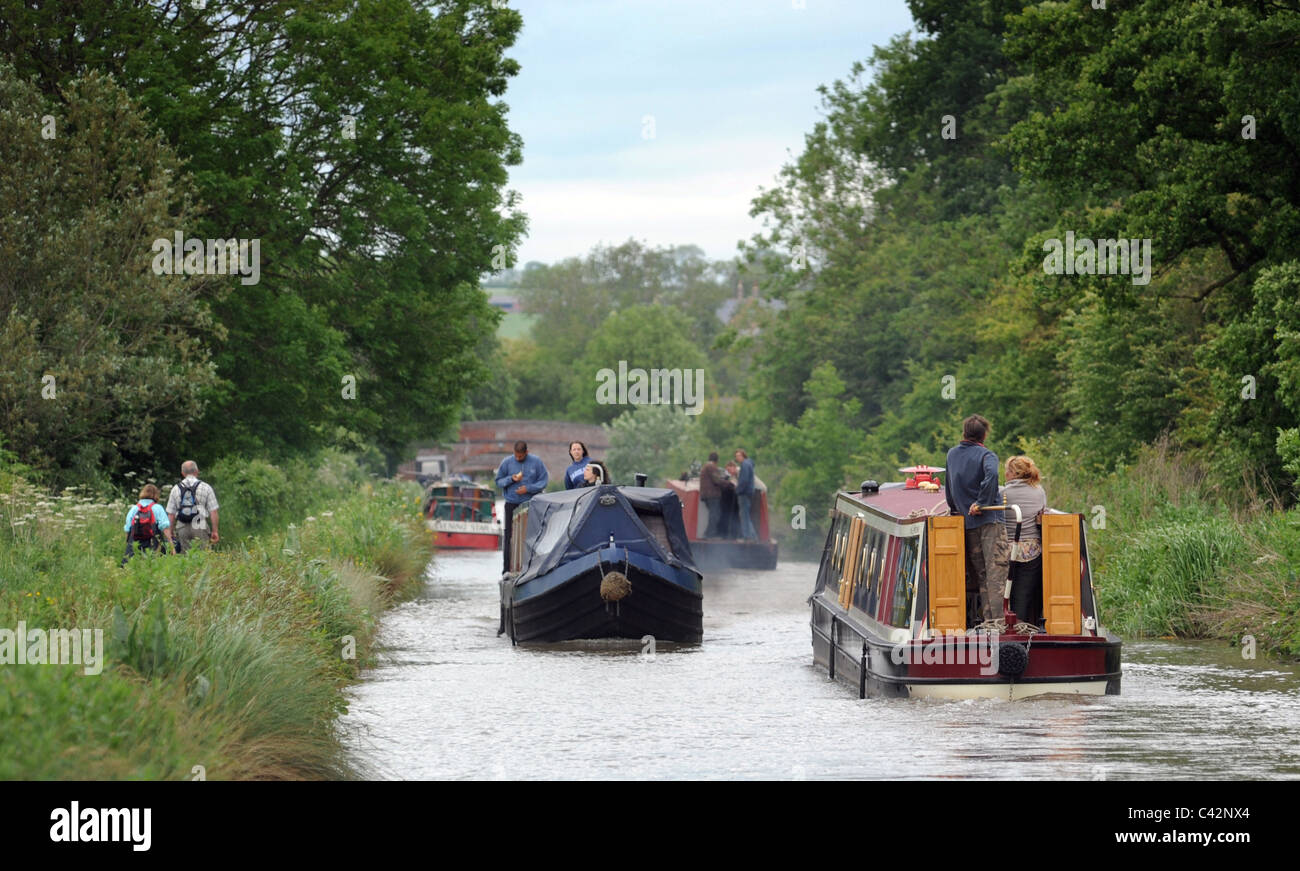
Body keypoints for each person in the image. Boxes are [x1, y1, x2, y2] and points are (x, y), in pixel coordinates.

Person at [945, 414, 1008, 632]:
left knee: (981, 572)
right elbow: (992, 476)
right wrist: (981, 502)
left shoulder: (952, 455)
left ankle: (989, 620)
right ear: (984, 435)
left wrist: (958, 510)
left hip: (967, 523)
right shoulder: (987, 455)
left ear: (964, 433)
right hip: (990, 521)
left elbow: (949, 488)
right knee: (997, 571)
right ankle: (997, 623)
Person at [1001, 455, 1047, 630]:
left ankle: (1004, 625)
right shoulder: (1039, 491)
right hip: (1032, 551)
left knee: (1005, 592)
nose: (1005, 474)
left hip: (1008, 550)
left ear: (1013, 473)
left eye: (1007, 470)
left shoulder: (1002, 493)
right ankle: (1022, 626)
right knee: (1024, 595)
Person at [495, 440, 549, 574]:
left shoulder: (536, 462)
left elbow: (543, 481)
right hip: (511, 503)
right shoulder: (507, 462)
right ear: (513, 453)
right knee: (509, 536)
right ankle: (506, 569)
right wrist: (511, 479)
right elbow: (498, 481)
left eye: (521, 456)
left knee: (533, 534)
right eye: (516, 456)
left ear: (527, 453)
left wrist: (529, 489)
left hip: (531, 503)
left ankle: (532, 567)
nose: (518, 458)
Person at [166, 460, 220, 554]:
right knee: (202, 556)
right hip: (200, 524)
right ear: (197, 471)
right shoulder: (206, 487)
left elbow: (171, 514)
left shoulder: (175, 489)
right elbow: (213, 512)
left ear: (182, 473)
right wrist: (215, 531)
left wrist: (170, 532)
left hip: (182, 526)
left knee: (185, 556)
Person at [121, 484, 174, 566]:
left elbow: (128, 528)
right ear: (156, 495)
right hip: (153, 542)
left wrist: (128, 544)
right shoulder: (158, 508)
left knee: (131, 566)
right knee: (154, 565)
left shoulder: (134, 508)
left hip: (135, 542)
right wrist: (171, 546)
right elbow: (165, 528)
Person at [699, 452, 728, 538]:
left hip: (706, 494)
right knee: (715, 514)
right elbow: (717, 480)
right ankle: (710, 534)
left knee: (713, 514)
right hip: (712, 494)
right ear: (717, 460)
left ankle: (708, 533)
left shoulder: (706, 466)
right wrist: (728, 483)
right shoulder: (711, 466)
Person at [734, 449, 757, 541]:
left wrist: (737, 490)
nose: (737, 458)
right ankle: (751, 536)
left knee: (744, 516)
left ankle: (748, 537)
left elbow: (744, 480)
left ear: (743, 456)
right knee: (746, 515)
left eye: (738, 456)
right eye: (736, 456)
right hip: (748, 492)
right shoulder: (749, 464)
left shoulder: (745, 465)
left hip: (744, 493)